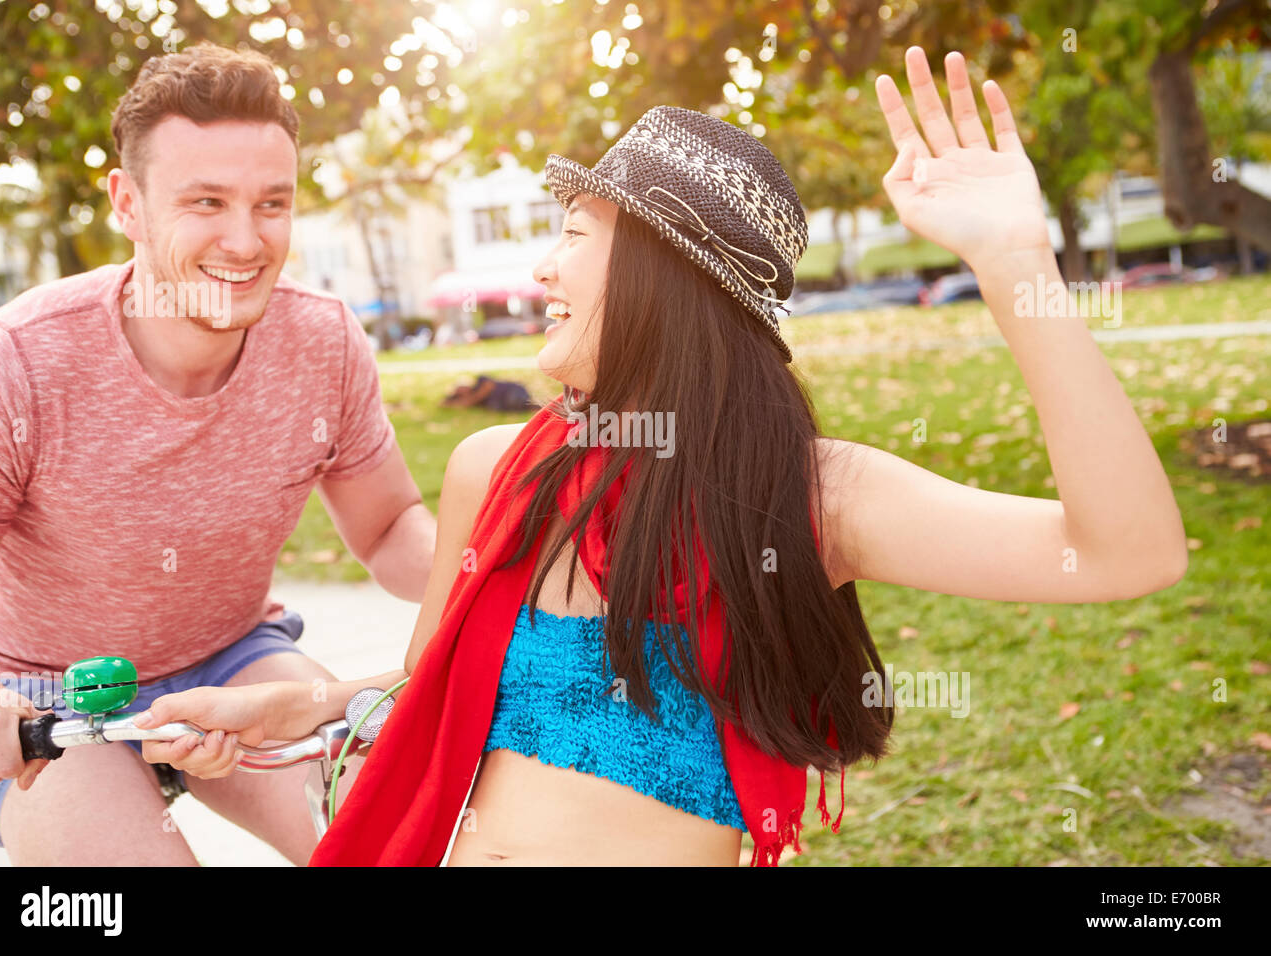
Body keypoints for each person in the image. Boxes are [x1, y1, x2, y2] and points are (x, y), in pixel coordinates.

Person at [136, 48, 1188, 866]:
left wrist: (1014, 263)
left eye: (576, 232)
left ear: (660, 273)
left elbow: (1124, 552)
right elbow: (443, 680)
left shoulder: (811, 494)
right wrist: (300, 703)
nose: (541, 265)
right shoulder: (495, 465)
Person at [0, 43, 436, 865]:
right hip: (45, 697)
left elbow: (390, 526)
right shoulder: (11, 361)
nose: (245, 240)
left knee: (400, 835)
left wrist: (503, 574)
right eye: (207, 202)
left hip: (233, 660)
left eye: (271, 204)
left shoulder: (322, 340)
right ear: (128, 202)